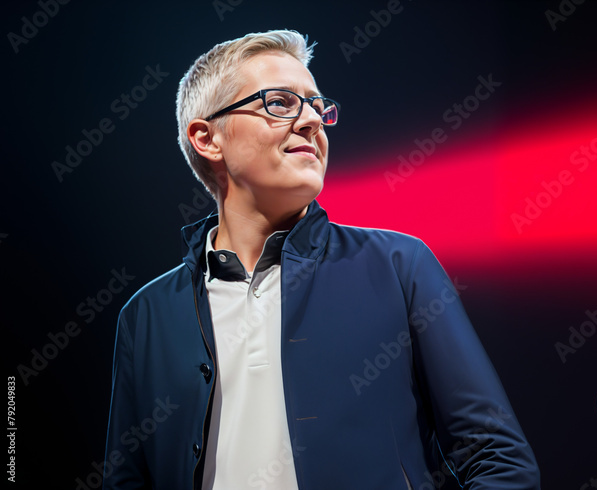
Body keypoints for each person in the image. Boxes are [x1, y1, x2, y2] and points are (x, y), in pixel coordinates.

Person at [103, 29, 539, 489]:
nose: (312, 121)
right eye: (280, 103)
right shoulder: (146, 315)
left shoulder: (397, 265)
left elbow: (496, 457)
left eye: (316, 106)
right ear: (207, 138)